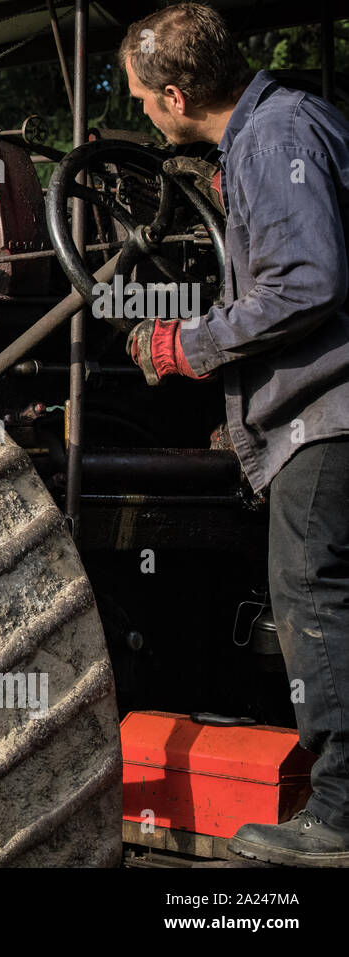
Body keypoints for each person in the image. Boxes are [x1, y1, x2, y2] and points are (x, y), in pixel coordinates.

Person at [120, 3, 349, 866]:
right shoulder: (299, 120)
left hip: (329, 415)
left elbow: (305, 283)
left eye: (143, 99)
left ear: (178, 97)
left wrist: (187, 343)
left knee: (313, 599)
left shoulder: (269, 138)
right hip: (316, 411)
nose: (143, 112)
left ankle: (337, 817)